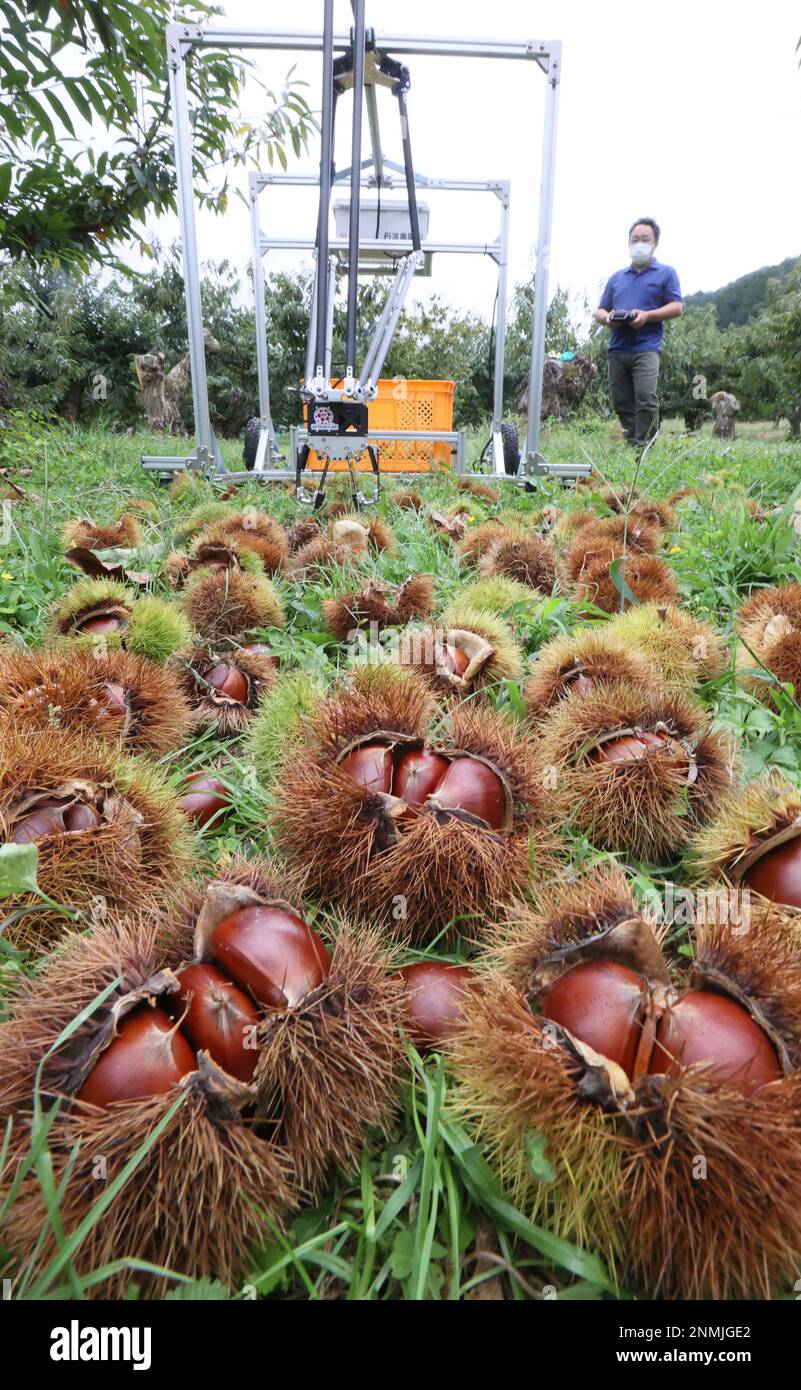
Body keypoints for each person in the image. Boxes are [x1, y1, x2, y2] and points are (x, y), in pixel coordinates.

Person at [596, 218, 683, 447]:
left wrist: (646, 316)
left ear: (655, 243)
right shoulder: (617, 278)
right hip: (617, 348)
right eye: (635, 239)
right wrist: (607, 319)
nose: (639, 243)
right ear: (628, 242)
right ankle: (633, 443)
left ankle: (644, 448)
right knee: (621, 401)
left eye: (645, 239)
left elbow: (677, 306)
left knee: (645, 399)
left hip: (646, 347)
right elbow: (600, 310)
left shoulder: (666, 273)